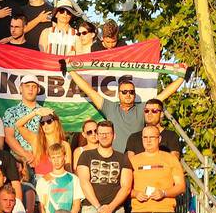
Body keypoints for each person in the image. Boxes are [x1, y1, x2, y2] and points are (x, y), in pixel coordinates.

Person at [62, 61, 190, 151]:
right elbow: (89, 91)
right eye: (124, 92)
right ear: (119, 94)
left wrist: (182, 77)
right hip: (115, 158)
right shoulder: (110, 107)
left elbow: (164, 94)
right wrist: (71, 70)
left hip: (136, 157)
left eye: (131, 92)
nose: (128, 94)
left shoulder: (143, 108)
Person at [76, 120, 133, 213]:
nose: (104, 136)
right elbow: (84, 182)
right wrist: (98, 206)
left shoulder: (123, 158)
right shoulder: (86, 156)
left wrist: (111, 207)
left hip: (116, 210)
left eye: (107, 133)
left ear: (114, 136)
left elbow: (126, 187)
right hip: (91, 208)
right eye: (100, 133)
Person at [128, 125, 184, 213]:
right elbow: (124, 188)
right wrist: (136, 194)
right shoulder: (133, 161)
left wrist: (164, 193)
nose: (148, 141)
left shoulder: (170, 159)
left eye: (152, 137)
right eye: (145, 137)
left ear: (159, 139)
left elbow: (181, 186)